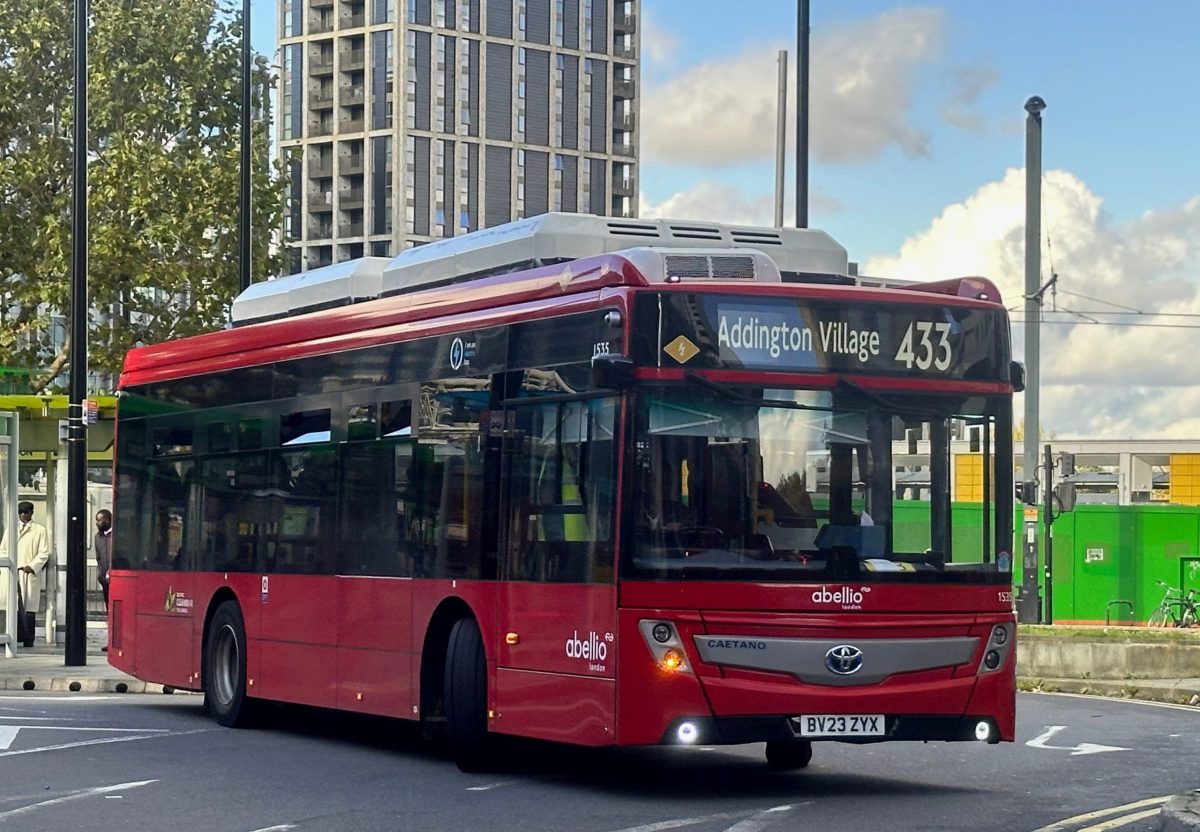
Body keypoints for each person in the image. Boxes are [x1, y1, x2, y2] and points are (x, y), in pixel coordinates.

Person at [0, 501, 52, 647]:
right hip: (10, 572)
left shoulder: (39, 530)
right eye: (21, 512)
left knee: (28, 607)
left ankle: (28, 638)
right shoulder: (10, 529)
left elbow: (43, 552)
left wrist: (32, 566)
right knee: (8, 605)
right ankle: (9, 636)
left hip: (27, 573)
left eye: (26, 512)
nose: (23, 515)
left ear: (31, 513)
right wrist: (6, 565)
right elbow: (3, 549)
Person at [94, 509, 113, 651]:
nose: (98, 523)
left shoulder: (116, 535)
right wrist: (101, 576)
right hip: (105, 580)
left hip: (117, 579)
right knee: (109, 611)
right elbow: (99, 558)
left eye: (101, 520)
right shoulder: (97, 537)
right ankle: (110, 640)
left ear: (108, 519)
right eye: (97, 520)